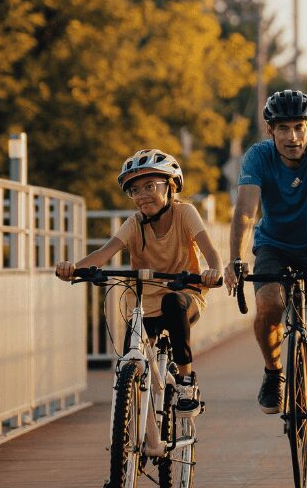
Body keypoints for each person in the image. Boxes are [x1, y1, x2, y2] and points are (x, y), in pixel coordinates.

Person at [222, 89, 307, 457]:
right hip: (275, 247)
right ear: (270, 131)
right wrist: (236, 258)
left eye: (299, 127)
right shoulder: (258, 157)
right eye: (283, 128)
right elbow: (246, 210)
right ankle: (274, 371)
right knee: (268, 303)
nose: (292, 137)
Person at [55, 148, 223, 415]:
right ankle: (133, 428)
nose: (142, 195)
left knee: (172, 302)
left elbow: (211, 250)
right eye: (135, 190)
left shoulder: (185, 213)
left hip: (184, 295)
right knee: (130, 358)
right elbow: (103, 254)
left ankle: (186, 380)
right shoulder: (134, 224)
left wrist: (214, 270)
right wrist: (74, 268)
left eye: (149, 186)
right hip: (145, 302)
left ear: (169, 187)